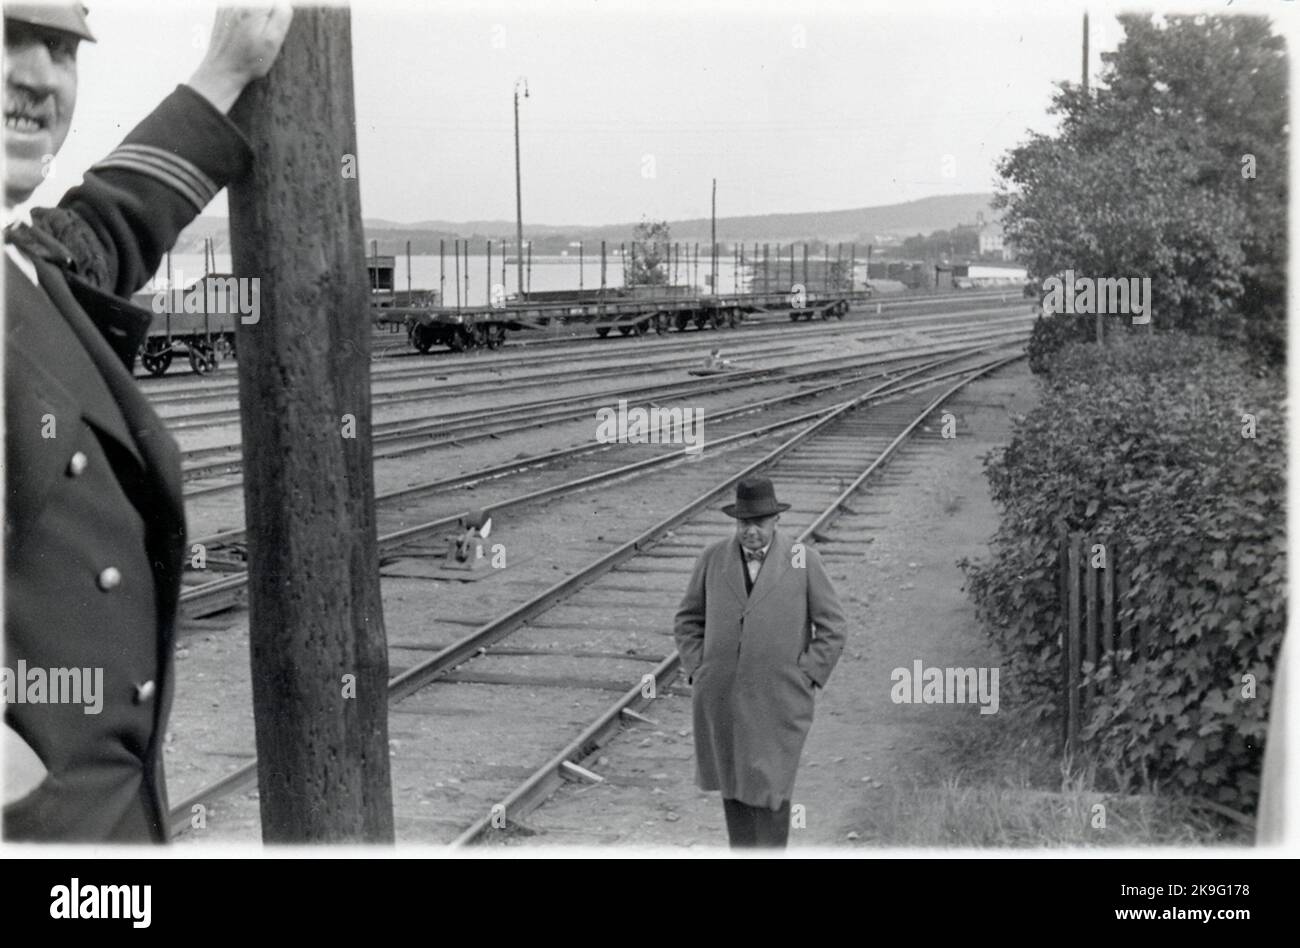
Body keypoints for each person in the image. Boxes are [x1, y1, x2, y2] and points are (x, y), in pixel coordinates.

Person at [3, 2, 291, 841]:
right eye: (3, 41)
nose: (35, 76)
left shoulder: (24, 271)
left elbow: (105, 226)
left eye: (60, 49)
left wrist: (224, 73)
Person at [673, 476, 848, 848]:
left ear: (775, 521)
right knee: (734, 785)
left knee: (770, 789)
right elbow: (688, 619)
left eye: (759, 523)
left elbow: (833, 626)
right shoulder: (713, 558)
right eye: (743, 523)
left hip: (779, 699)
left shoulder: (803, 560)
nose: (750, 531)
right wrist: (699, 668)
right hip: (723, 698)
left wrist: (806, 676)